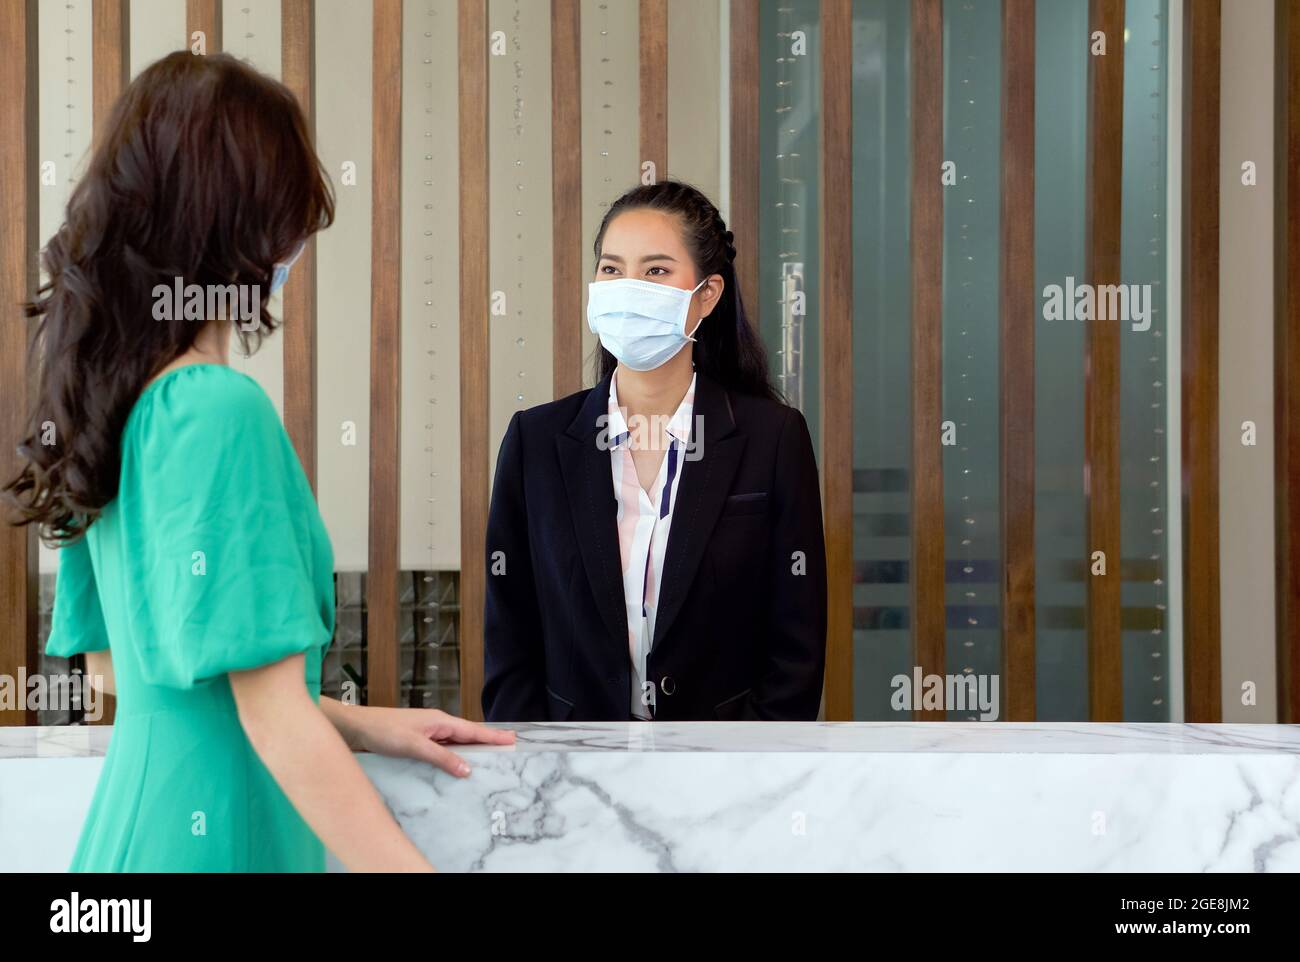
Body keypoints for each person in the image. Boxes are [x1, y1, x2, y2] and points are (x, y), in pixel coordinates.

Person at [2, 51, 512, 873]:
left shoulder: (113, 409)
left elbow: (118, 673)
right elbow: (273, 722)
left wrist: (359, 719)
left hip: (135, 844)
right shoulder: (216, 409)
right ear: (236, 222)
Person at [482, 180, 827, 722]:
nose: (627, 288)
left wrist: (752, 765)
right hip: (573, 773)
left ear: (706, 295)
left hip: (722, 768)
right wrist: (537, 765)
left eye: (656, 271)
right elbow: (510, 633)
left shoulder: (772, 438)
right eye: (612, 269)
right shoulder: (537, 441)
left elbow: (796, 645)